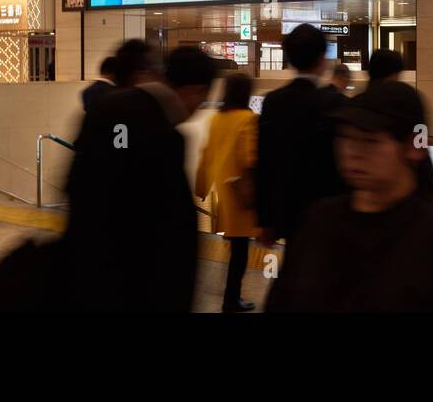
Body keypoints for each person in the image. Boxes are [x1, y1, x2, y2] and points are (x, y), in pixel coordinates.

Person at [267, 80, 433, 312]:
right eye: (345, 138)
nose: (351, 152)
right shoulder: (319, 220)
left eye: (369, 140)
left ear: (413, 147)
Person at [62, 44, 216, 311]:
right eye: (202, 100)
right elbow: (168, 232)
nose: (200, 108)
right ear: (195, 91)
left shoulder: (107, 106)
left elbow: (76, 186)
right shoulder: (165, 136)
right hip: (130, 289)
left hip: (85, 276)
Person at [256, 24, 344, 245]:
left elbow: (264, 163)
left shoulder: (273, 102)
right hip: (325, 212)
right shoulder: (334, 103)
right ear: (323, 59)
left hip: (286, 210)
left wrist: (266, 220)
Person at [196, 72, 259, 313]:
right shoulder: (247, 119)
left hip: (224, 193)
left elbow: (205, 155)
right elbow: (249, 158)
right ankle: (231, 300)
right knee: (240, 253)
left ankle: (231, 298)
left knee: (237, 249)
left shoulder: (215, 119)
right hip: (242, 196)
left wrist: (201, 187)